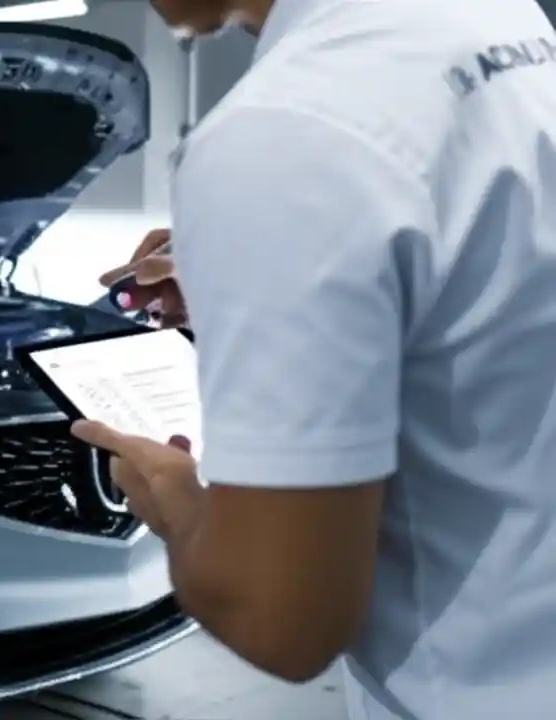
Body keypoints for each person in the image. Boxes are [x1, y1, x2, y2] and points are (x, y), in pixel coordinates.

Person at [71, 1, 556, 719]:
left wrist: (175, 502)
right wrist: (276, 278)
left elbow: (282, 622)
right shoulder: (498, 22)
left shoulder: (287, 126)